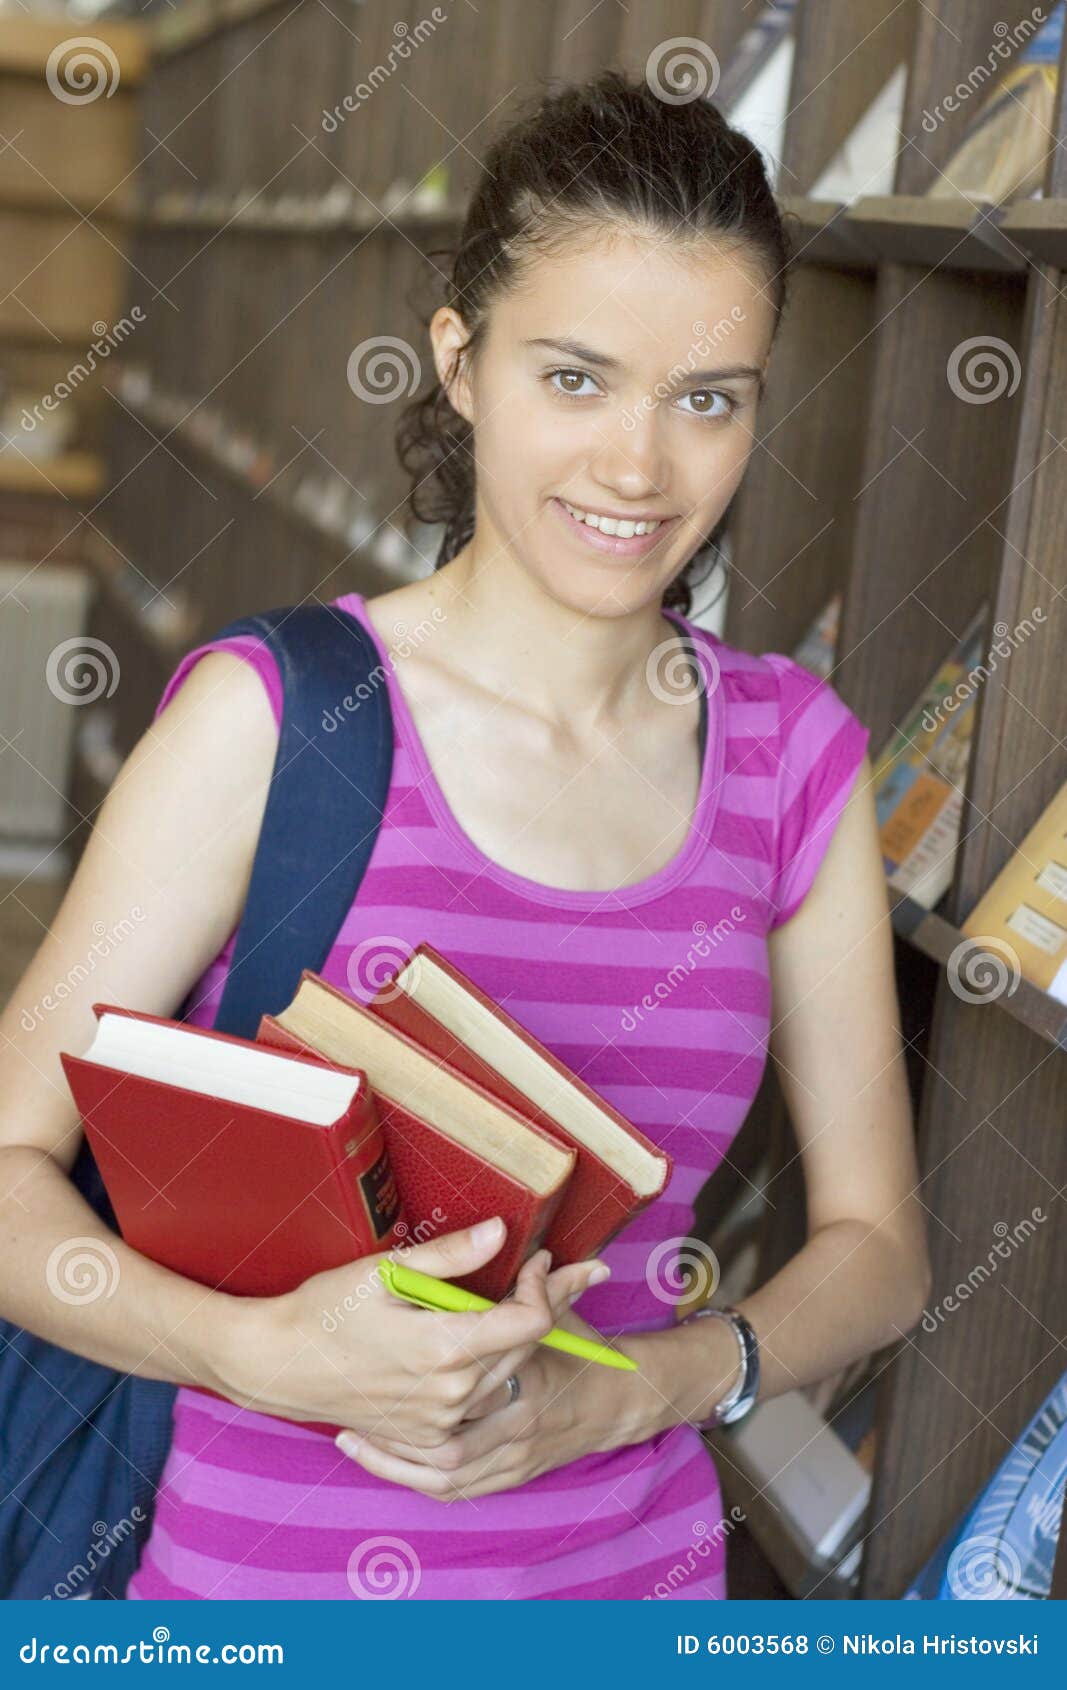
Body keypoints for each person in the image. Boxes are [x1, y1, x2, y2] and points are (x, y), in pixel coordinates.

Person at [0, 69, 931, 1601]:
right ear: (460, 361)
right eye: (576, 378)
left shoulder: (790, 760)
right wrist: (254, 1348)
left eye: (708, 399)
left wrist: (645, 1383)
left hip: (630, 1593)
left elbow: (879, 1248)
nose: (640, 467)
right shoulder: (276, 720)